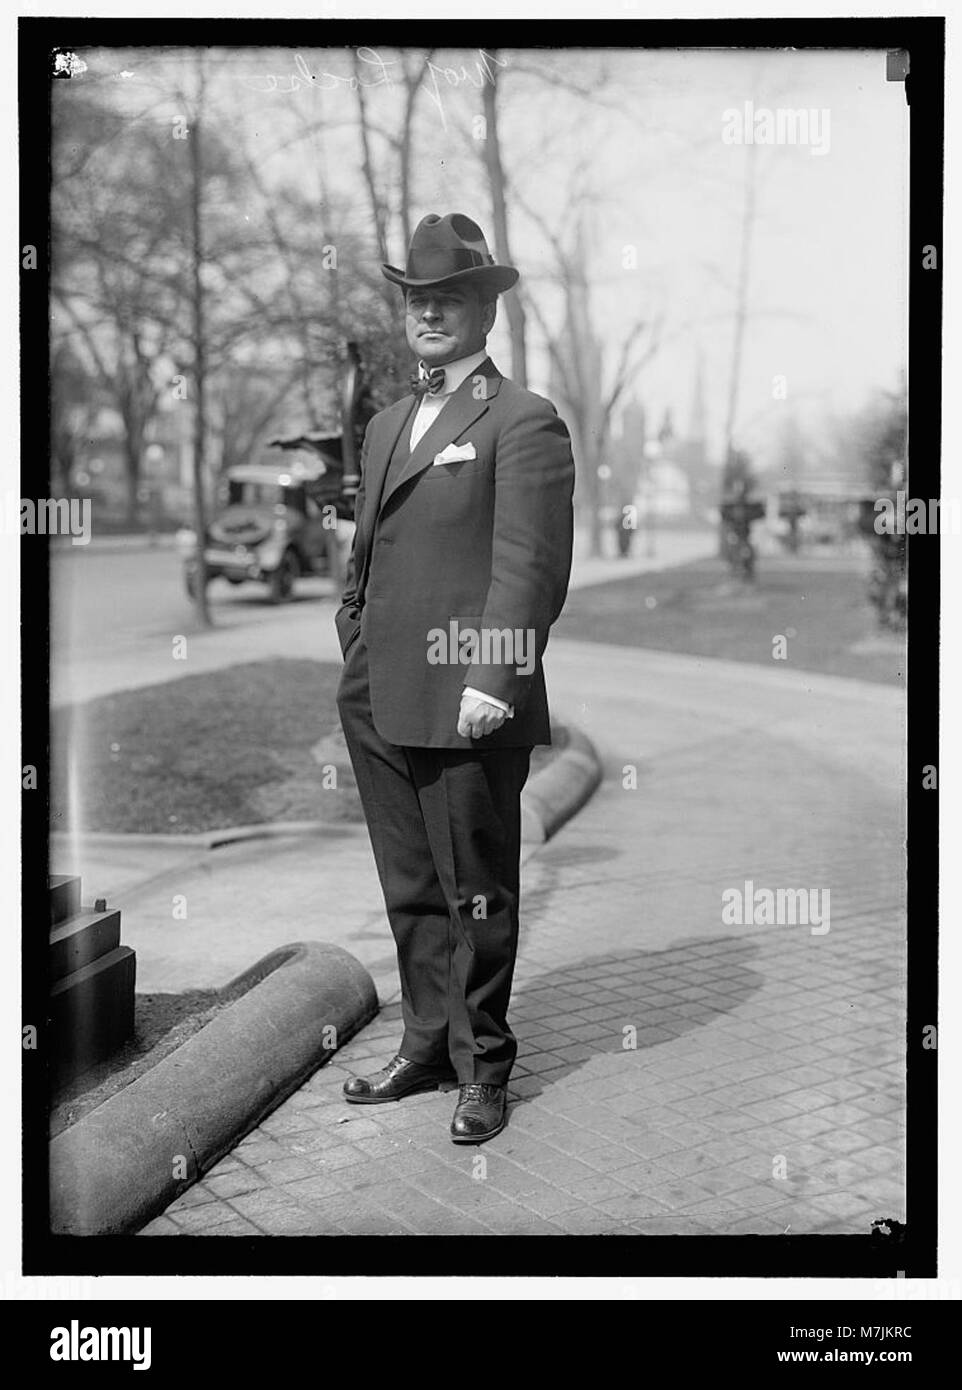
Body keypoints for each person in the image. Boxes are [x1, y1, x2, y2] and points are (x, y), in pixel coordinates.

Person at [334, 212, 575, 1143]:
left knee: (476, 888)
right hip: (379, 691)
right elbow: (367, 553)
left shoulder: (523, 419)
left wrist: (495, 676)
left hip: (470, 694)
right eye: (417, 299)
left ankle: (485, 1069)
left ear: (484, 312)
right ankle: (427, 1044)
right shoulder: (391, 421)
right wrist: (351, 638)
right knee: (411, 886)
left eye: (449, 299)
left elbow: (531, 568)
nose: (428, 314)